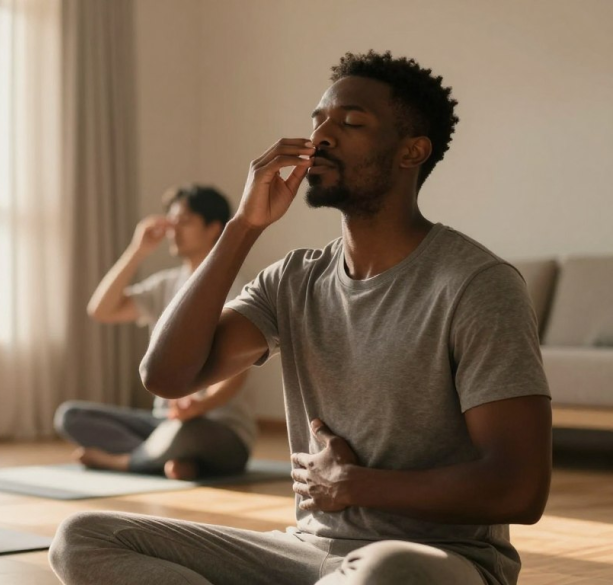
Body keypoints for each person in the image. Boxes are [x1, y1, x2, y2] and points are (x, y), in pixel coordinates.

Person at [51, 50, 552, 585]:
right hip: (306, 554)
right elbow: (168, 375)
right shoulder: (293, 279)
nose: (322, 137)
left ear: (413, 152)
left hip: (434, 561)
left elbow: (519, 489)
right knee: (83, 537)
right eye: (318, 122)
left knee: (386, 569)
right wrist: (243, 225)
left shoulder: (476, 284)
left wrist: (359, 486)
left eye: (351, 122)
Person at [54, 185, 257, 481]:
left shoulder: (235, 288)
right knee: (71, 416)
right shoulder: (165, 285)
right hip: (164, 422)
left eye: (184, 221)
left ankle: (125, 461)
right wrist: (138, 251)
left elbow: (236, 374)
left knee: (185, 433)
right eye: (171, 220)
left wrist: (199, 406)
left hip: (215, 426)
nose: (174, 230)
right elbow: (101, 310)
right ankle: (173, 461)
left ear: (214, 228)